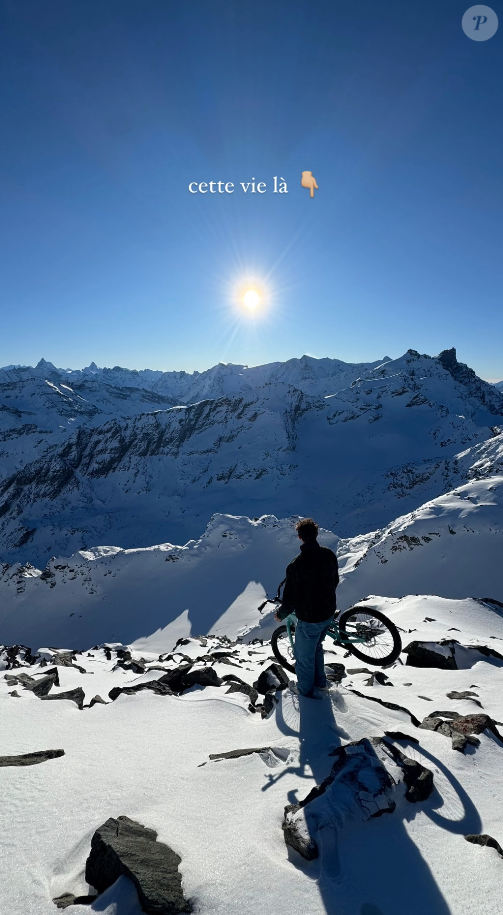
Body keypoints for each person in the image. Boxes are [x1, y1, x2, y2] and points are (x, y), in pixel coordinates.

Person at [276, 518, 339, 699]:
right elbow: (334, 581)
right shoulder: (328, 555)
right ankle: (320, 683)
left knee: (304, 659)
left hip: (310, 618)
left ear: (300, 537)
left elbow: (290, 599)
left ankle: (304, 692)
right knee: (317, 647)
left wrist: (280, 615)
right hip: (328, 612)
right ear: (316, 534)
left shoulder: (296, 565)